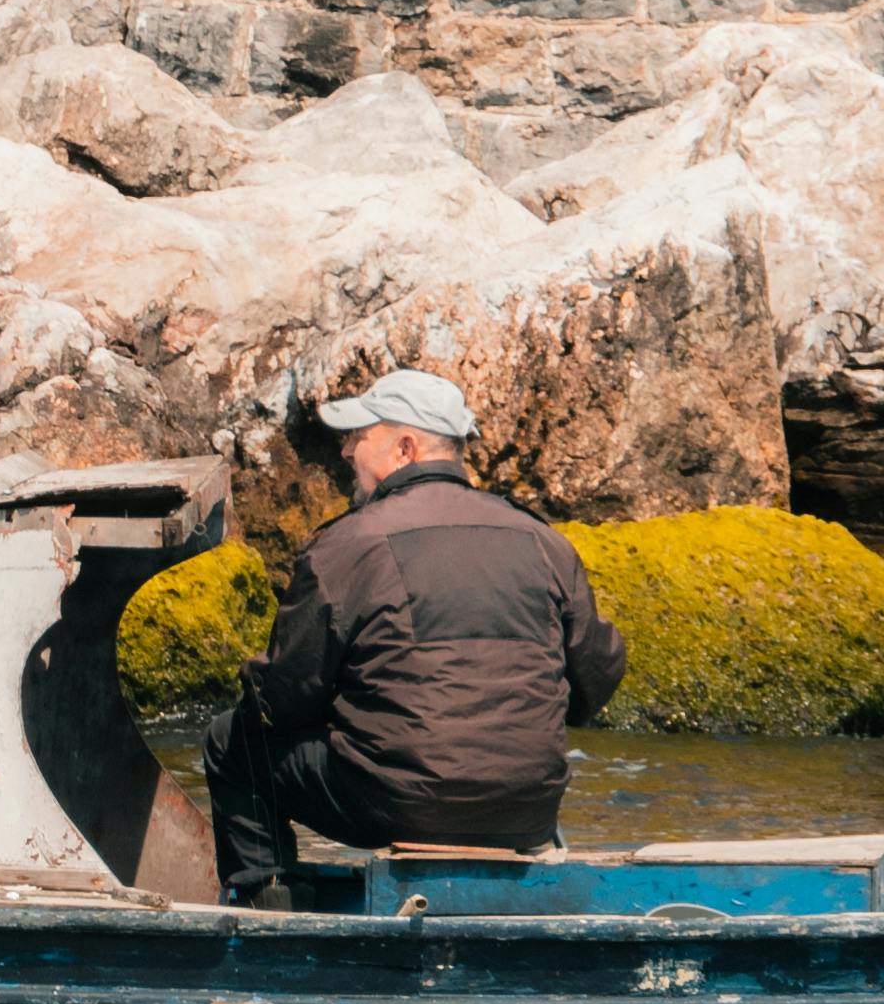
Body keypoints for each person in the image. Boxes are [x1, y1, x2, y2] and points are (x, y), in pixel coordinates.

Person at [205, 371, 627, 902]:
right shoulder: (544, 540)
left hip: (397, 805)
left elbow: (283, 697)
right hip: (529, 807)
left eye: (359, 437)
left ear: (405, 448)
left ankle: (266, 906)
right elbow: (596, 677)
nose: (346, 451)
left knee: (232, 741)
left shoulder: (350, 544)